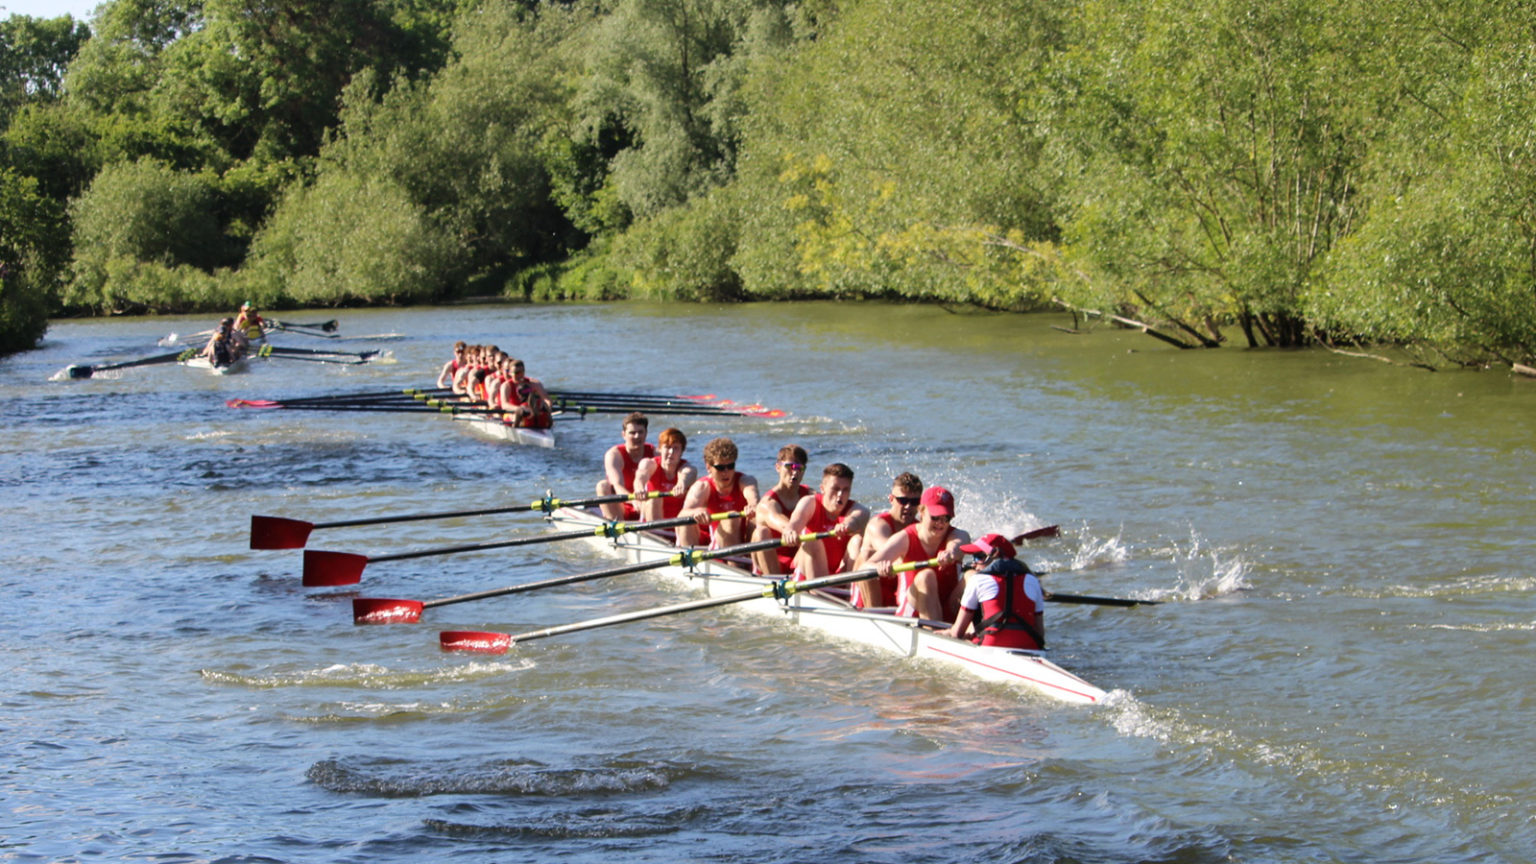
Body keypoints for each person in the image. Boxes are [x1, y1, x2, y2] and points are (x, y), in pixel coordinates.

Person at [864, 486, 970, 622]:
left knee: (972, 577)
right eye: (935, 517)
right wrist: (879, 568)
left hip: (947, 606)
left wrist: (950, 552)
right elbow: (866, 566)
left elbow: (957, 544)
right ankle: (936, 633)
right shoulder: (905, 537)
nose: (941, 523)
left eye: (946, 518)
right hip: (913, 612)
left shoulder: (958, 535)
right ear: (921, 511)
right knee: (926, 576)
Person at [947, 533, 1045, 650]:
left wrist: (944, 632)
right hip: (1030, 648)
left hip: (990, 645)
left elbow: (957, 633)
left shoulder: (977, 580)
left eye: (978, 556)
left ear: (993, 556)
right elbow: (1040, 634)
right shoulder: (1033, 580)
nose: (974, 563)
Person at [786, 462, 870, 580]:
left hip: (838, 574)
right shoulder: (809, 503)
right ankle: (817, 593)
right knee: (812, 540)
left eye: (845, 490)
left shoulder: (859, 510)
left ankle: (849, 591)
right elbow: (796, 520)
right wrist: (791, 531)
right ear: (823, 488)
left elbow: (856, 519)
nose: (840, 495)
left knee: (857, 541)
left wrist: (846, 525)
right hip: (807, 574)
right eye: (835, 489)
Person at [851, 472, 924, 608]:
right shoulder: (878, 524)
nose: (908, 506)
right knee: (867, 557)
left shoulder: (919, 527)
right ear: (891, 499)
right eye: (903, 501)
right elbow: (890, 553)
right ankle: (872, 613)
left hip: (898, 588)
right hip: (869, 593)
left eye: (914, 502)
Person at [677, 437, 759, 548]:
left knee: (756, 516)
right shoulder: (702, 487)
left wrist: (753, 505)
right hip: (710, 542)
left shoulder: (746, 481)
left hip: (740, 540)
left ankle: (743, 559)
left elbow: (752, 495)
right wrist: (696, 511)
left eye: (730, 466)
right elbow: (682, 514)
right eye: (720, 468)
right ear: (708, 467)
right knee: (684, 521)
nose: (726, 472)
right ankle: (689, 558)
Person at [750, 444, 810, 575]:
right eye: (790, 467)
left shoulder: (810, 495)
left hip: (799, 560)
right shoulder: (767, 503)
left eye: (800, 468)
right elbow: (782, 524)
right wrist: (791, 530)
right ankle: (775, 582)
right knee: (761, 533)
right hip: (772, 564)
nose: (795, 472)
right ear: (778, 467)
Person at [634, 427, 697, 525]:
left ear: (681, 452)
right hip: (651, 526)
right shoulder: (649, 464)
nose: (671, 452)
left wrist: (682, 484)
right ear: (659, 449)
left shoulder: (687, 468)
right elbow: (641, 476)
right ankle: (656, 532)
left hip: (677, 524)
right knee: (655, 498)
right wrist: (639, 489)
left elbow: (688, 473)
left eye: (676, 448)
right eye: (667, 447)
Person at [597, 412, 653, 521]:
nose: (637, 436)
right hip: (622, 507)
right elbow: (617, 486)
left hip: (647, 505)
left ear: (646, 433)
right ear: (623, 435)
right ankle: (617, 526)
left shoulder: (655, 453)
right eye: (632, 433)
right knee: (602, 486)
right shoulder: (614, 455)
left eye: (640, 432)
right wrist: (634, 500)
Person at [497, 357, 552, 428]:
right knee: (518, 414)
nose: (520, 375)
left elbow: (547, 399)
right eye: (516, 373)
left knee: (545, 412)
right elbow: (504, 405)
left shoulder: (533, 383)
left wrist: (548, 407)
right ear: (510, 373)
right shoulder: (506, 386)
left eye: (522, 372)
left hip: (530, 412)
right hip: (512, 413)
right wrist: (519, 409)